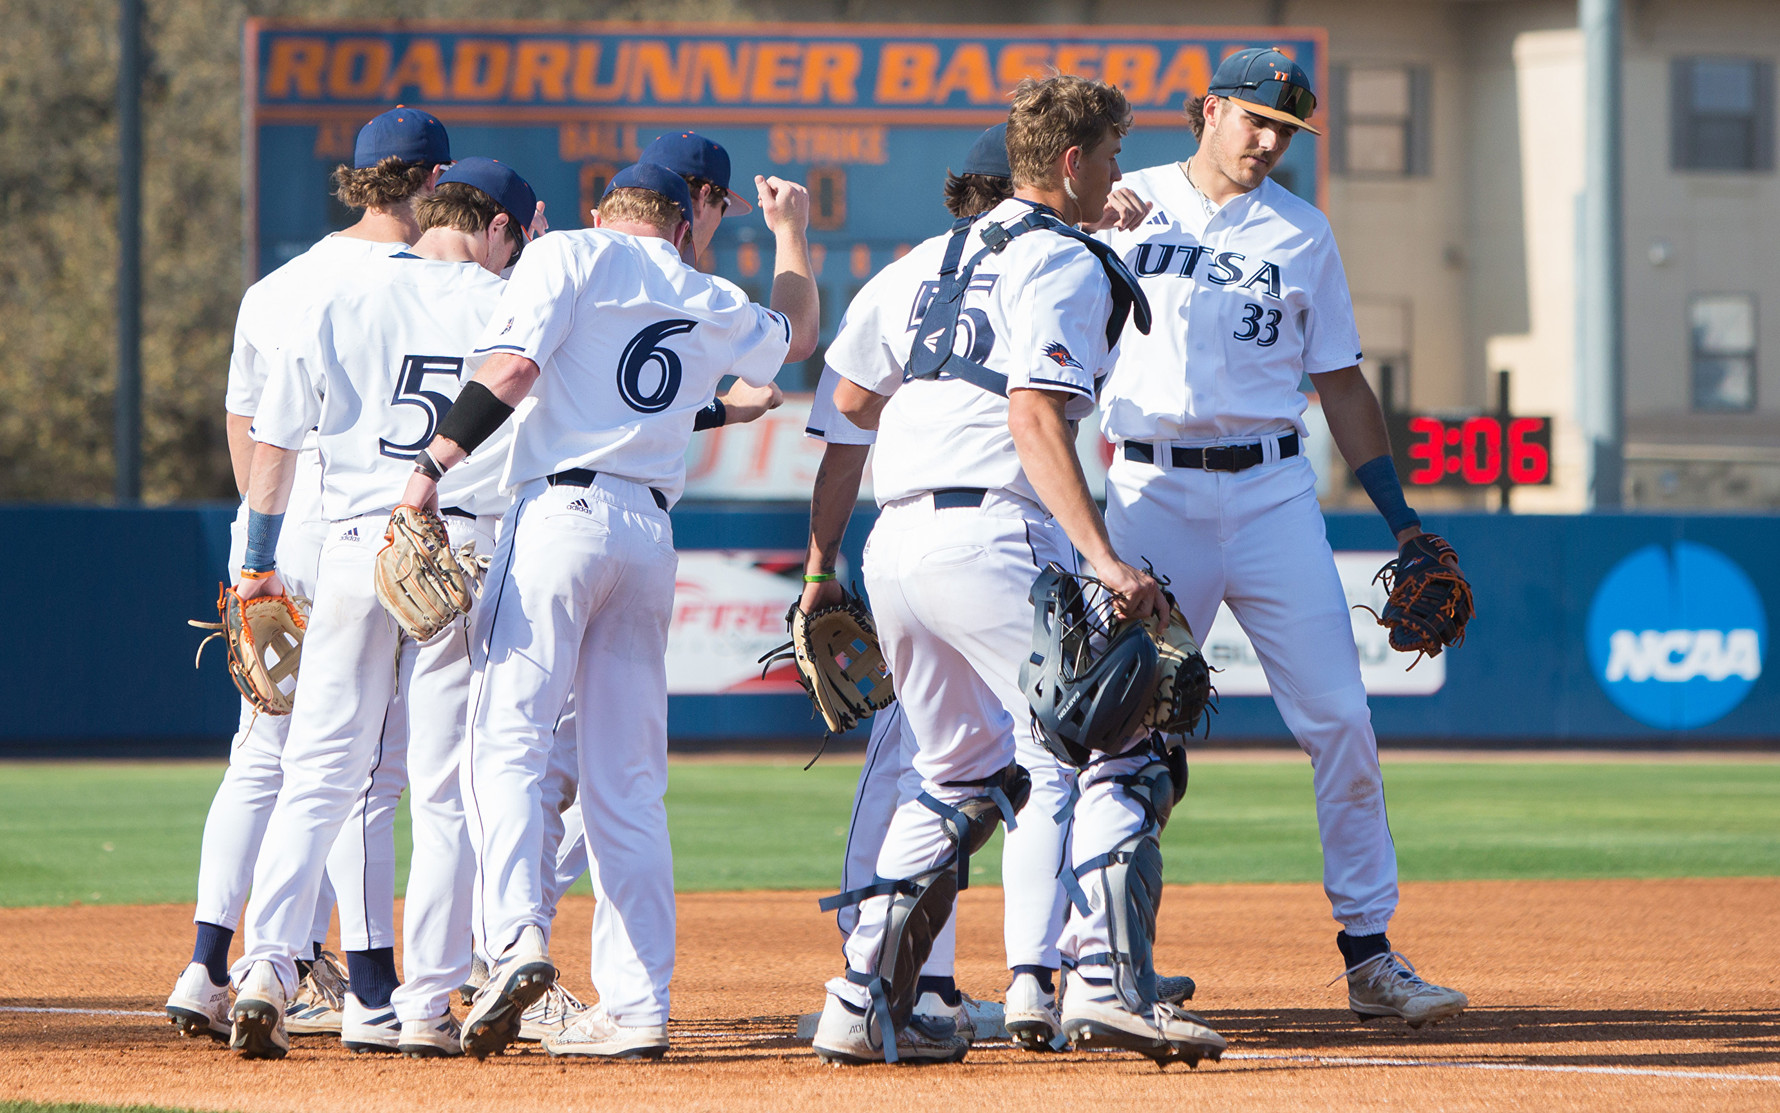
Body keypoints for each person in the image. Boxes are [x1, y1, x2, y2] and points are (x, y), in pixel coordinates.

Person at [397, 161, 815, 1061]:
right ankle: (637, 1006)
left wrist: (432, 464)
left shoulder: (568, 256)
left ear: (603, 213)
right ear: (677, 224)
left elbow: (511, 370)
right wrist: (789, 235)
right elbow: (800, 333)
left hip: (558, 517)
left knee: (506, 738)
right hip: (649, 535)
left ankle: (511, 943)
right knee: (627, 780)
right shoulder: (709, 294)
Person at [1090, 47, 1468, 1028]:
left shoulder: (1302, 231)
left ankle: (1371, 956)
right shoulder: (1124, 201)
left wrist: (1403, 518)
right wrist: (1087, 226)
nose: (1268, 141)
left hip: (1270, 494)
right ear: (1209, 110)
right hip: (1147, 489)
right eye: (1255, 119)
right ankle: (1091, 964)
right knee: (1120, 726)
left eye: (1286, 130)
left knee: (1341, 719)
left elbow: (1339, 379)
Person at [812, 75, 1169, 1066]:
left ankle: (856, 997)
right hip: (993, 531)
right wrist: (1100, 557)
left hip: (898, 541)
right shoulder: (1063, 257)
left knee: (959, 773)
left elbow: (847, 396)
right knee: (1117, 747)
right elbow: (1031, 410)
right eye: (1107, 155)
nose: (1114, 173)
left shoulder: (920, 262)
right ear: (1070, 162)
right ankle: (1103, 986)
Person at [164, 105, 452, 1047]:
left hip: (286, 538)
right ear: (430, 180)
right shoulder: (438, 282)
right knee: (368, 769)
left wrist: (259, 557)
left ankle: (208, 964)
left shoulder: (279, 285)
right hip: (382, 542)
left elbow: (251, 427)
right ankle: (370, 982)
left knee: (263, 758)